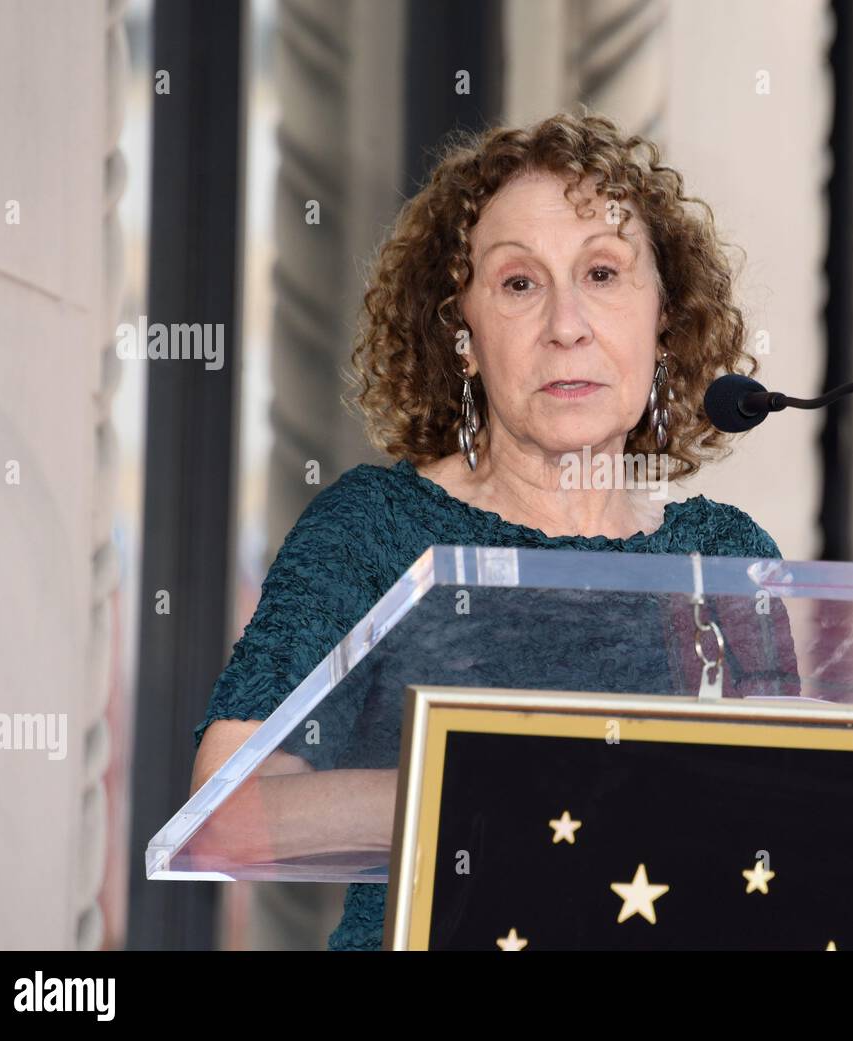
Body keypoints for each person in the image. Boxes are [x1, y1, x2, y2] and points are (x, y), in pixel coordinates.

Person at [190, 110, 794, 950]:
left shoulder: (726, 557)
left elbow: (791, 829)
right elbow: (234, 804)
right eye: (519, 283)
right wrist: (492, 785)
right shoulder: (376, 529)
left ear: (663, 323)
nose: (566, 323)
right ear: (462, 336)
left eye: (604, 273)